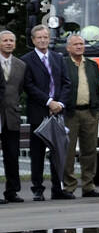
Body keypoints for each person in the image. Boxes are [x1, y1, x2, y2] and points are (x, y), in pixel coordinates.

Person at [22, 24, 74, 200]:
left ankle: (57, 189)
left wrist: (59, 103)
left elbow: (66, 83)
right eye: (39, 38)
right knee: (37, 153)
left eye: (46, 37)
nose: (43, 40)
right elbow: (29, 86)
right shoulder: (26, 60)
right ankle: (38, 189)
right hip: (39, 111)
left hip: (58, 112)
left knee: (58, 152)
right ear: (33, 40)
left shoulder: (58, 58)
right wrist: (48, 102)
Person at [62, 34, 99, 198]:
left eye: (81, 44)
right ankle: (69, 186)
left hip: (90, 113)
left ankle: (88, 186)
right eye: (75, 44)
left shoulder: (93, 65)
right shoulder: (63, 64)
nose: (79, 47)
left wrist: (98, 109)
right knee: (69, 151)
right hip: (70, 114)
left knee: (90, 151)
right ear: (68, 48)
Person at [0, 31, 27, 204]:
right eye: (5, 40)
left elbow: (19, 89)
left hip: (11, 114)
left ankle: (12, 191)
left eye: (11, 40)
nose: (9, 43)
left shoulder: (21, 65)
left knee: (12, 154)